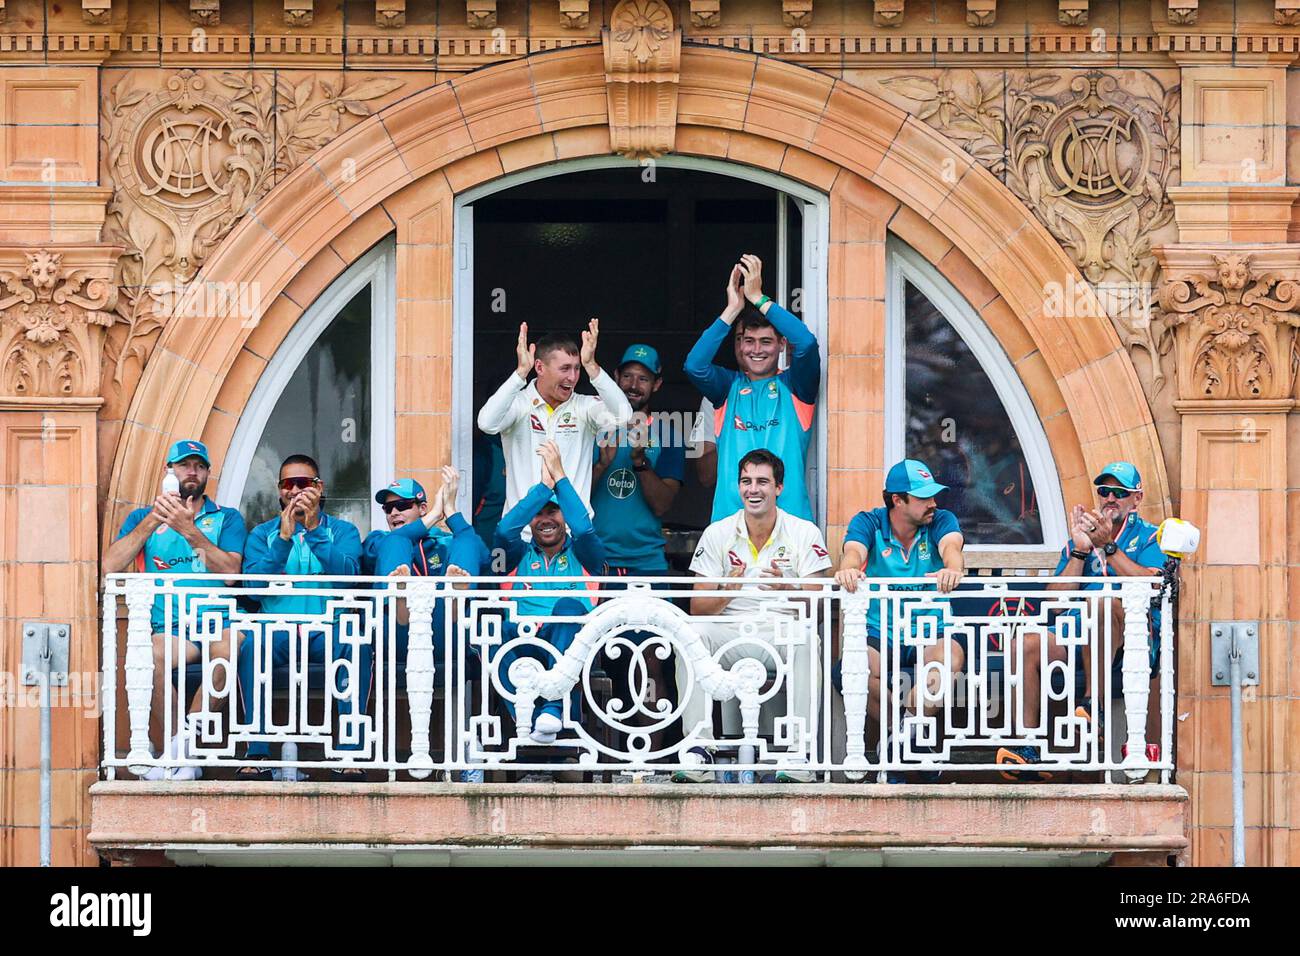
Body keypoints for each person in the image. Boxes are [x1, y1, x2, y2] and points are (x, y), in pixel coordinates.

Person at [997, 461, 1165, 781]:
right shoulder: (1083, 538)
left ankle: (1093, 707)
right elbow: (1053, 605)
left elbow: (1150, 584)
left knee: (1100, 604)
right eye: (1105, 491)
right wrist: (1079, 552)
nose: (1110, 498)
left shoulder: (1151, 536)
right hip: (1078, 634)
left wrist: (1108, 547)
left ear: (1137, 498)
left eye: (1120, 492)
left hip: (1130, 639)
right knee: (1025, 643)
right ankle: (1026, 749)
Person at [675, 449, 832, 784]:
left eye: (762, 481)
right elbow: (697, 607)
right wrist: (727, 590)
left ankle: (799, 753)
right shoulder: (718, 532)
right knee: (690, 632)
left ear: (779, 488)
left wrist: (789, 589)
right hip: (730, 632)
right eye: (746, 481)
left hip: (781, 629)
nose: (753, 489)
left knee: (807, 636)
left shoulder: (805, 532)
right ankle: (698, 750)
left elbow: (820, 607)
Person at [103, 439, 248, 780]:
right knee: (145, 657)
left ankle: (182, 751)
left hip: (216, 622)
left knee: (229, 648)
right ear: (169, 472)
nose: (192, 472)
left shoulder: (226, 517)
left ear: (208, 473)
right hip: (169, 626)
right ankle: (179, 752)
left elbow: (230, 574)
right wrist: (154, 521)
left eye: (199, 465)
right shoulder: (142, 518)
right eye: (184, 465)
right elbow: (110, 565)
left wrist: (189, 530)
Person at [834, 458, 966, 779]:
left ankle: (900, 739)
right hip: (883, 628)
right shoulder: (869, 522)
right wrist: (851, 567)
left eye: (934, 495)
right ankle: (910, 741)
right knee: (854, 668)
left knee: (948, 659)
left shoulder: (940, 520)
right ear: (897, 500)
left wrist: (952, 569)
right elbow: (853, 551)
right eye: (923, 497)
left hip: (929, 628)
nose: (933, 503)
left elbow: (953, 548)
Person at [237, 454, 363, 777]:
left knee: (358, 644)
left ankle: (350, 756)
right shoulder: (262, 534)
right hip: (276, 634)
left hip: (327, 632)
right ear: (279, 491)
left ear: (319, 488)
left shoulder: (343, 530)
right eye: (288, 485)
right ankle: (258, 755)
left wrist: (314, 530)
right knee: (252, 645)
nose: (295, 491)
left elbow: (348, 578)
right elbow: (253, 588)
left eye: (303, 483)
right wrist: (283, 538)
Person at [591, 344, 686, 741]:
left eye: (643, 378)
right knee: (593, 664)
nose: (633, 385)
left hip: (647, 564)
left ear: (657, 384)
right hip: (598, 564)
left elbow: (664, 503)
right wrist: (601, 461)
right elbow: (571, 494)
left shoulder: (669, 431)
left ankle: (651, 762)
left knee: (653, 662)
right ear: (614, 377)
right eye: (627, 376)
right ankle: (601, 763)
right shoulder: (593, 420)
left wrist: (641, 461)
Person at [685, 254, 820, 522]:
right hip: (730, 527)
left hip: (788, 527)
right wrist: (733, 308)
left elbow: (806, 343)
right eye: (749, 340)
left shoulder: (796, 387)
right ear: (739, 344)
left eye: (766, 341)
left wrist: (759, 298)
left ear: (782, 345)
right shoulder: (727, 387)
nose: (756, 350)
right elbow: (694, 365)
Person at [493, 441, 607, 743]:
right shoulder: (516, 555)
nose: (545, 519)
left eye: (553, 511)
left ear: (564, 516)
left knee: (569, 608)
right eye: (539, 513)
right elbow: (504, 531)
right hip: (524, 643)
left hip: (571, 649)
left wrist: (559, 476)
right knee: (488, 632)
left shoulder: (585, 553)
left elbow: (583, 529)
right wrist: (543, 488)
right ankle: (526, 716)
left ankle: (552, 709)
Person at [477, 319, 633, 516]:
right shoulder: (519, 403)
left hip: (573, 535)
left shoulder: (584, 407)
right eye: (565, 368)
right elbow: (486, 423)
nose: (573, 377)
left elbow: (624, 415)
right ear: (540, 368)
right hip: (523, 534)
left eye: (577, 368)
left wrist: (592, 367)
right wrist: (520, 374)